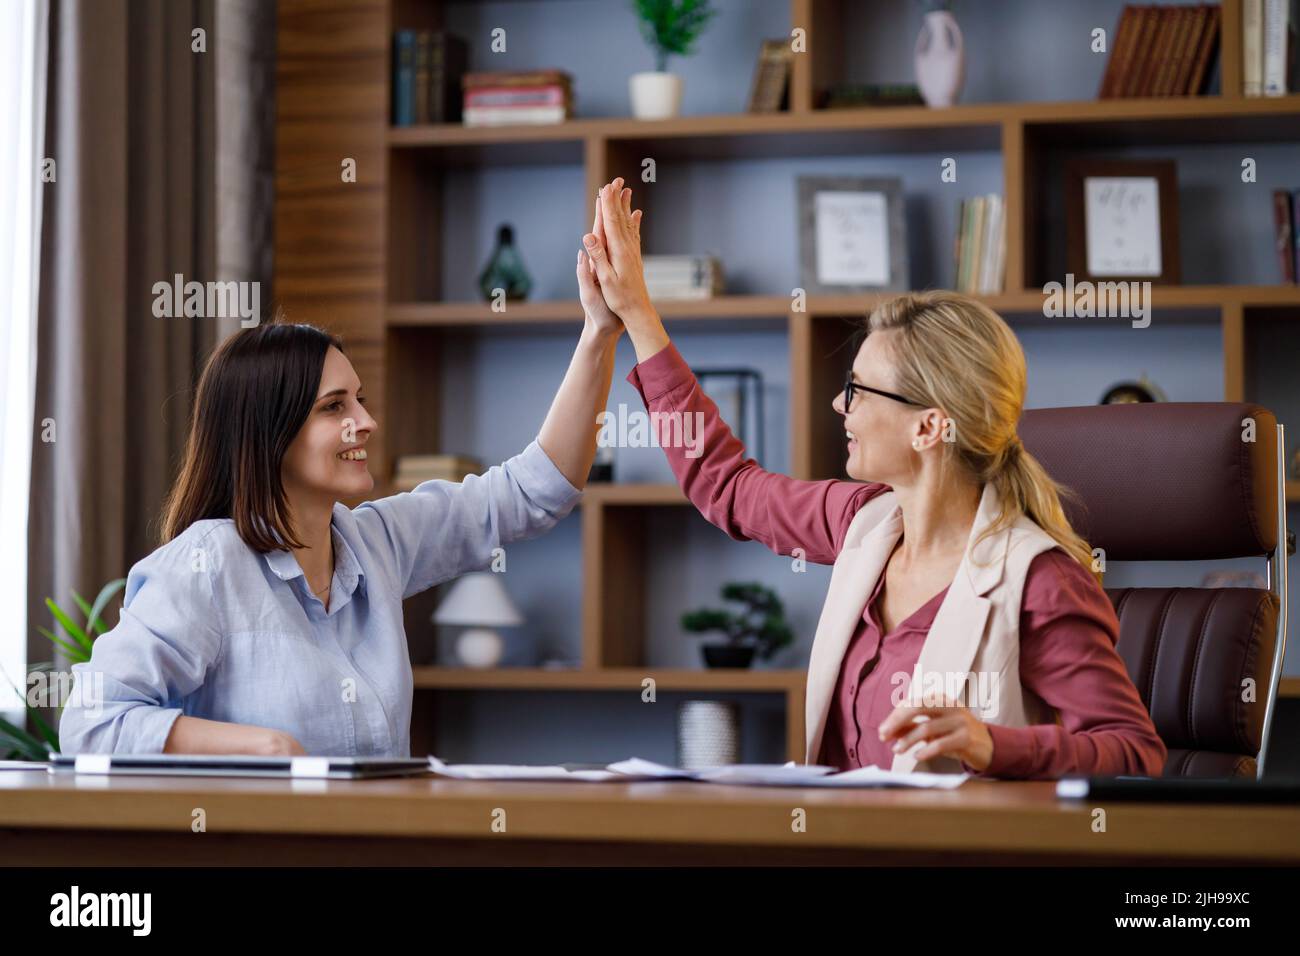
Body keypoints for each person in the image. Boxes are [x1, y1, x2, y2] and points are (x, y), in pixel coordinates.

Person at [580, 177, 1166, 778]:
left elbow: (1134, 752)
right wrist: (638, 317)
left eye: (858, 390)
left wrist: (991, 746)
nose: (839, 405)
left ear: (930, 426)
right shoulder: (862, 522)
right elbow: (725, 486)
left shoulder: (1039, 581)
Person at [58, 195, 634, 756]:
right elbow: (92, 719)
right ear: (271, 433)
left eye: (359, 399)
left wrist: (600, 332)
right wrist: (263, 748)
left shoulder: (376, 541)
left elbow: (534, 491)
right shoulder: (209, 564)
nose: (367, 422)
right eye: (334, 407)